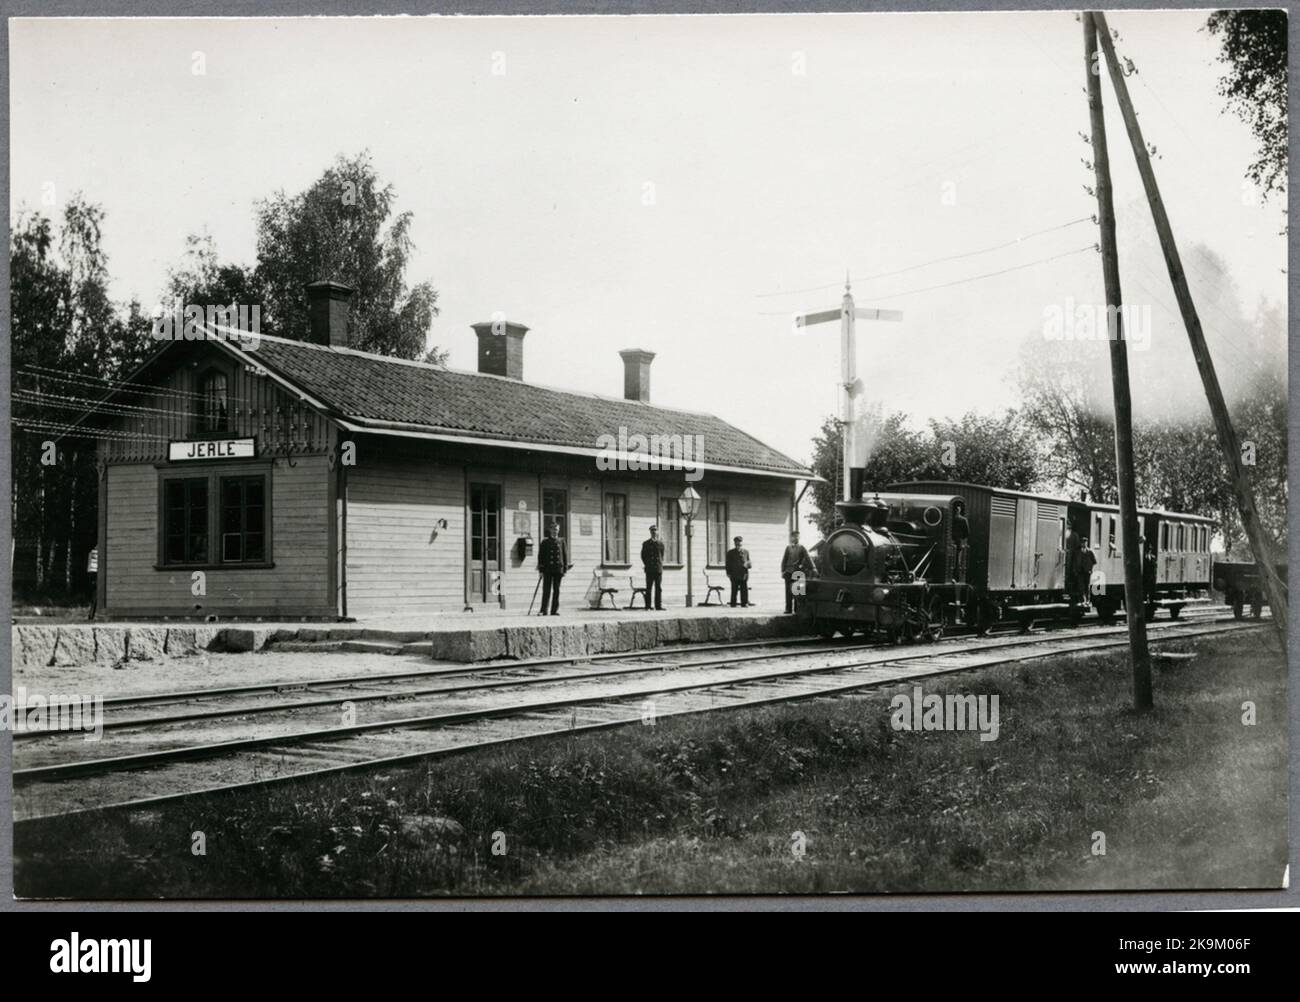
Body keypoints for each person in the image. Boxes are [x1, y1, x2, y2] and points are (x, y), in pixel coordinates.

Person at [537, 523, 569, 616]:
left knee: (557, 590)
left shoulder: (562, 541)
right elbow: (540, 557)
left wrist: (565, 569)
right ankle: (544, 610)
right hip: (547, 569)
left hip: (558, 569)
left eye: (557, 529)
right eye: (553, 529)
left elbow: (565, 555)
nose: (555, 531)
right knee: (546, 590)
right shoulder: (545, 542)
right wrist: (541, 570)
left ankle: (554, 610)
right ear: (550, 530)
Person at [780, 531, 815, 615]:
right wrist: (783, 570)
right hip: (788, 572)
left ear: (799, 538)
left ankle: (797, 610)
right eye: (794, 537)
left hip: (798, 572)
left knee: (798, 591)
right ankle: (788, 609)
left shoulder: (802, 547)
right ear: (791, 538)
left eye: (797, 537)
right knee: (788, 591)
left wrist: (813, 568)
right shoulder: (788, 548)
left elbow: (808, 558)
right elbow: (784, 560)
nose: (795, 538)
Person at [640, 525, 665, 610]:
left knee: (658, 588)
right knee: (649, 588)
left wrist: (659, 565)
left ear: (657, 532)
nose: (654, 532)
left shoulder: (661, 544)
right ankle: (648, 606)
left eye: (655, 531)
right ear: (650, 532)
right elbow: (643, 556)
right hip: (649, 569)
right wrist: (647, 564)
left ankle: (658, 606)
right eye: (652, 531)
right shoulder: (646, 544)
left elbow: (662, 555)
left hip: (658, 569)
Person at [726, 535, 752, 607]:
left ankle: (744, 603)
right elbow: (728, 564)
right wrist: (728, 573)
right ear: (735, 544)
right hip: (734, 574)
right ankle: (733, 604)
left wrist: (747, 564)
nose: (739, 544)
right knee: (734, 590)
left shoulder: (746, 552)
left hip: (744, 574)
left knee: (744, 590)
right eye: (737, 543)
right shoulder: (730, 553)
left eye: (740, 543)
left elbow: (749, 562)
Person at [1065, 520, 1084, 606]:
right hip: (1070, 557)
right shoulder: (1075, 535)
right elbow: (1078, 549)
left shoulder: (1069, 534)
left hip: (1069, 556)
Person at [950, 500, 970, 583]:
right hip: (958, 542)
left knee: (954, 561)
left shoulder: (951, 519)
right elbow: (967, 533)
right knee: (957, 561)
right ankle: (956, 577)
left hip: (951, 542)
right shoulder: (963, 520)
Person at [86, 545, 99, 622]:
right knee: (95, 595)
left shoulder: (91, 552)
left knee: (94, 595)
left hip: (92, 573)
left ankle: (91, 615)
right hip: (95, 573)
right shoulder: (97, 552)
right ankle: (91, 615)